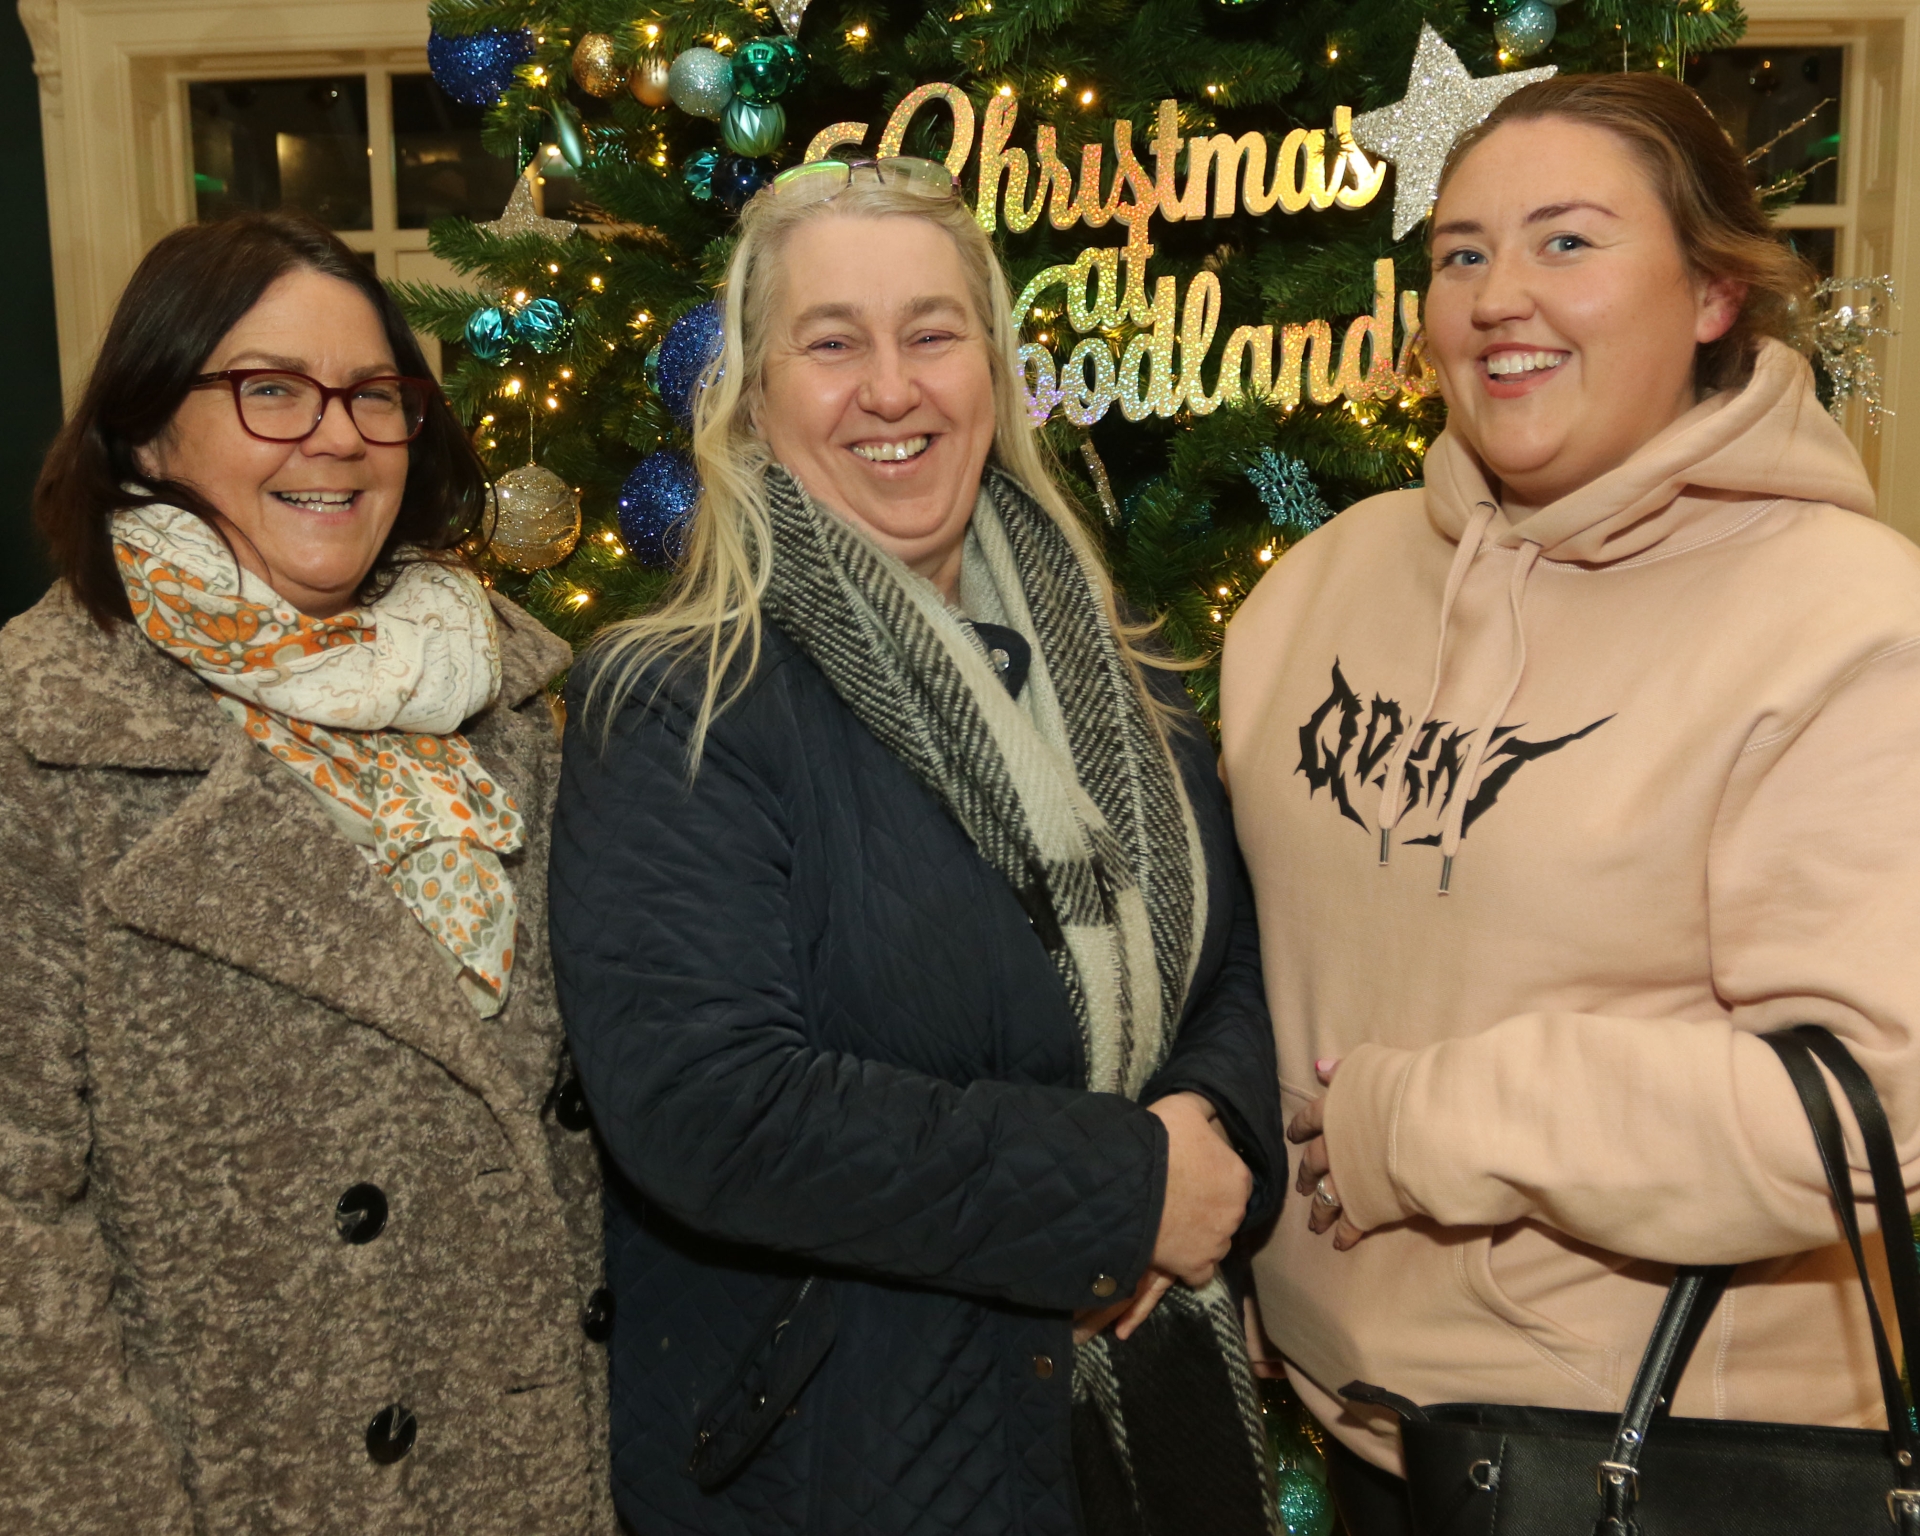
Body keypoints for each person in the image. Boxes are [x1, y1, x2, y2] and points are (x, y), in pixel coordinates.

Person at [1222, 71, 1920, 1536]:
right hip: (1354, 1429)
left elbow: (1876, 1112)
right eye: (1461, 254)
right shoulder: (1327, 584)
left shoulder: (1844, 625)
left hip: (1642, 1467)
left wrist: (1424, 1124)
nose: (1495, 298)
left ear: (1716, 295)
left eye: (1568, 244)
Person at [548, 159, 1289, 1536]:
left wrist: (1219, 1132)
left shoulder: (1127, 673)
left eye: (933, 334)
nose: (891, 389)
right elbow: (713, 1110)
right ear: (755, 397)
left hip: (1147, 1421)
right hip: (854, 1457)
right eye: (832, 343)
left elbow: (1231, 964)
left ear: (993, 375)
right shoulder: (678, 696)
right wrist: (1129, 1191)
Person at [0, 213, 612, 1533]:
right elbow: (16, 1215)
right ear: (148, 425)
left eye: (372, 394)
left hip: (540, 1471)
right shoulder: (39, 729)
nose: (333, 436)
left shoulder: (509, 702)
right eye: (267, 390)